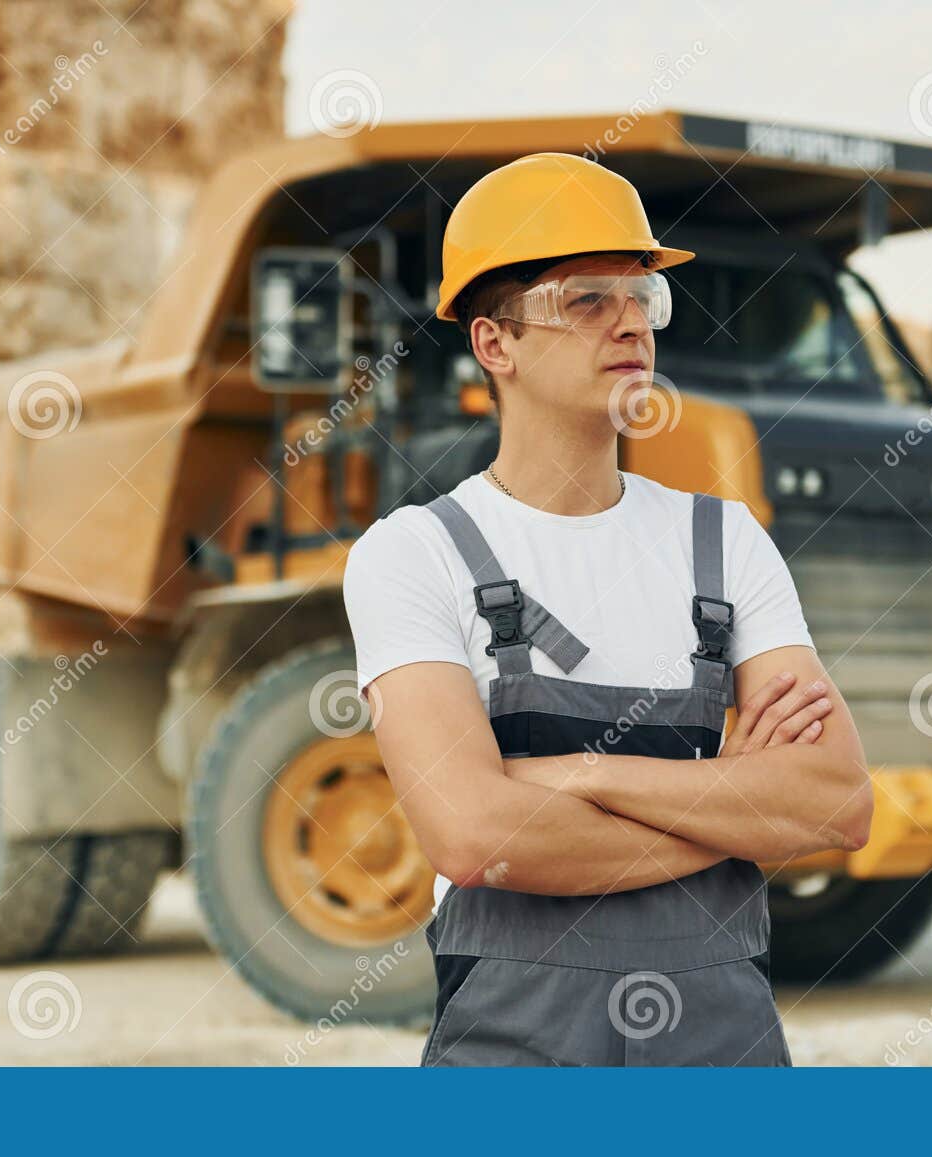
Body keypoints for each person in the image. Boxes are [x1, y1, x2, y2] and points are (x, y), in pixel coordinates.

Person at [341, 153, 871, 1067]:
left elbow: (834, 806)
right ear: (494, 341)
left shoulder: (726, 539)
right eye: (587, 299)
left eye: (643, 298)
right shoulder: (413, 553)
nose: (631, 322)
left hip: (724, 1049)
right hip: (516, 1053)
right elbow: (472, 835)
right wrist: (729, 809)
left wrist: (580, 773)